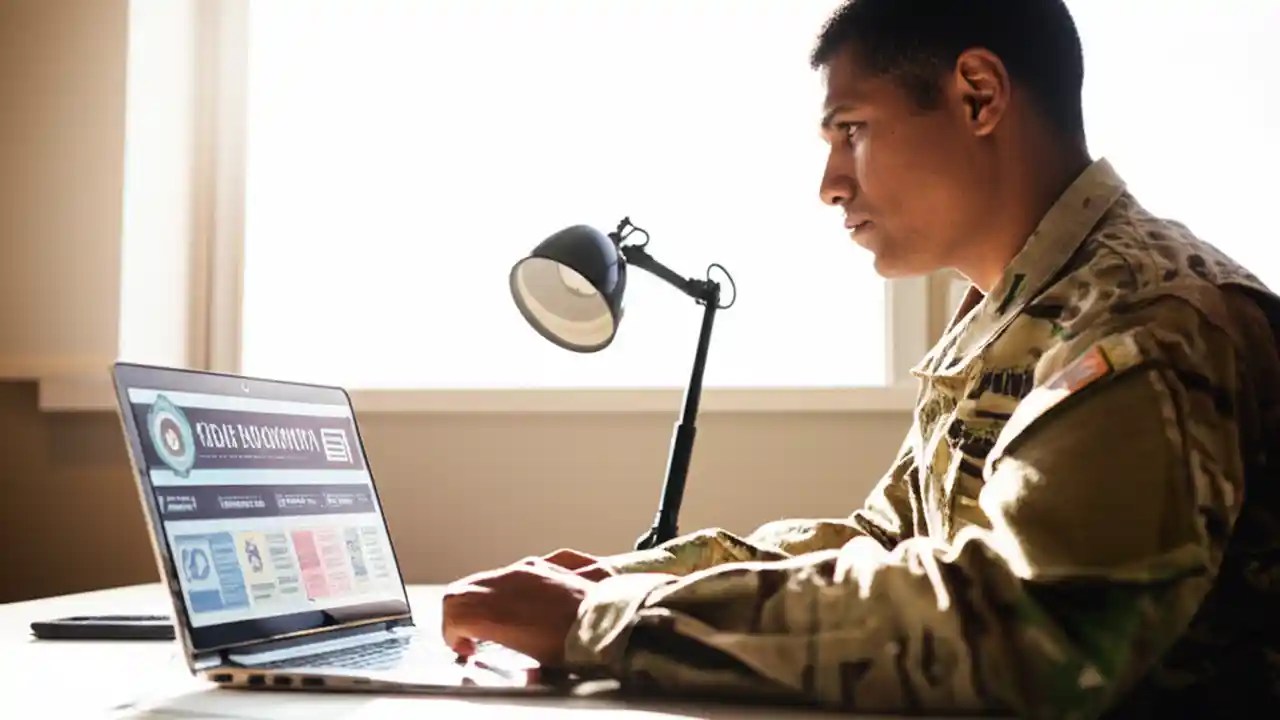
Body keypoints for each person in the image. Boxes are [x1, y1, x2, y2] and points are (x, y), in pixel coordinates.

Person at [442, 0, 1280, 717]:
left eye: (853, 130)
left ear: (978, 95)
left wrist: (612, 621)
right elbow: (884, 544)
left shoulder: (1141, 319)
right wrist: (621, 579)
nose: (830, 183)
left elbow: (1030, 628)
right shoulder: (1018, 311)